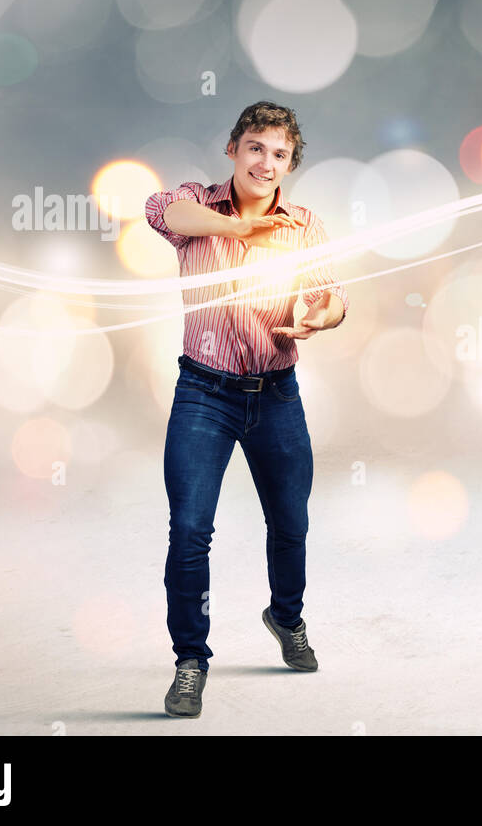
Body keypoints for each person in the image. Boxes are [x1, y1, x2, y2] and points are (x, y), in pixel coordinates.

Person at [143, 100, 348, 718]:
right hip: (204, 394)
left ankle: (286, 618)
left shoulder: (304, 224)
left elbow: (333, 297)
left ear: (290, 165)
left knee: (291, 524)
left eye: (280, 154)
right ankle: (190, 661)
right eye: (256, 147)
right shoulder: (195, 205)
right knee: (189, 531)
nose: (266, 162)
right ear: (234, 148)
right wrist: (235, 229)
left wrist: (321, 316)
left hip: (277, 396)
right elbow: (157, 209)